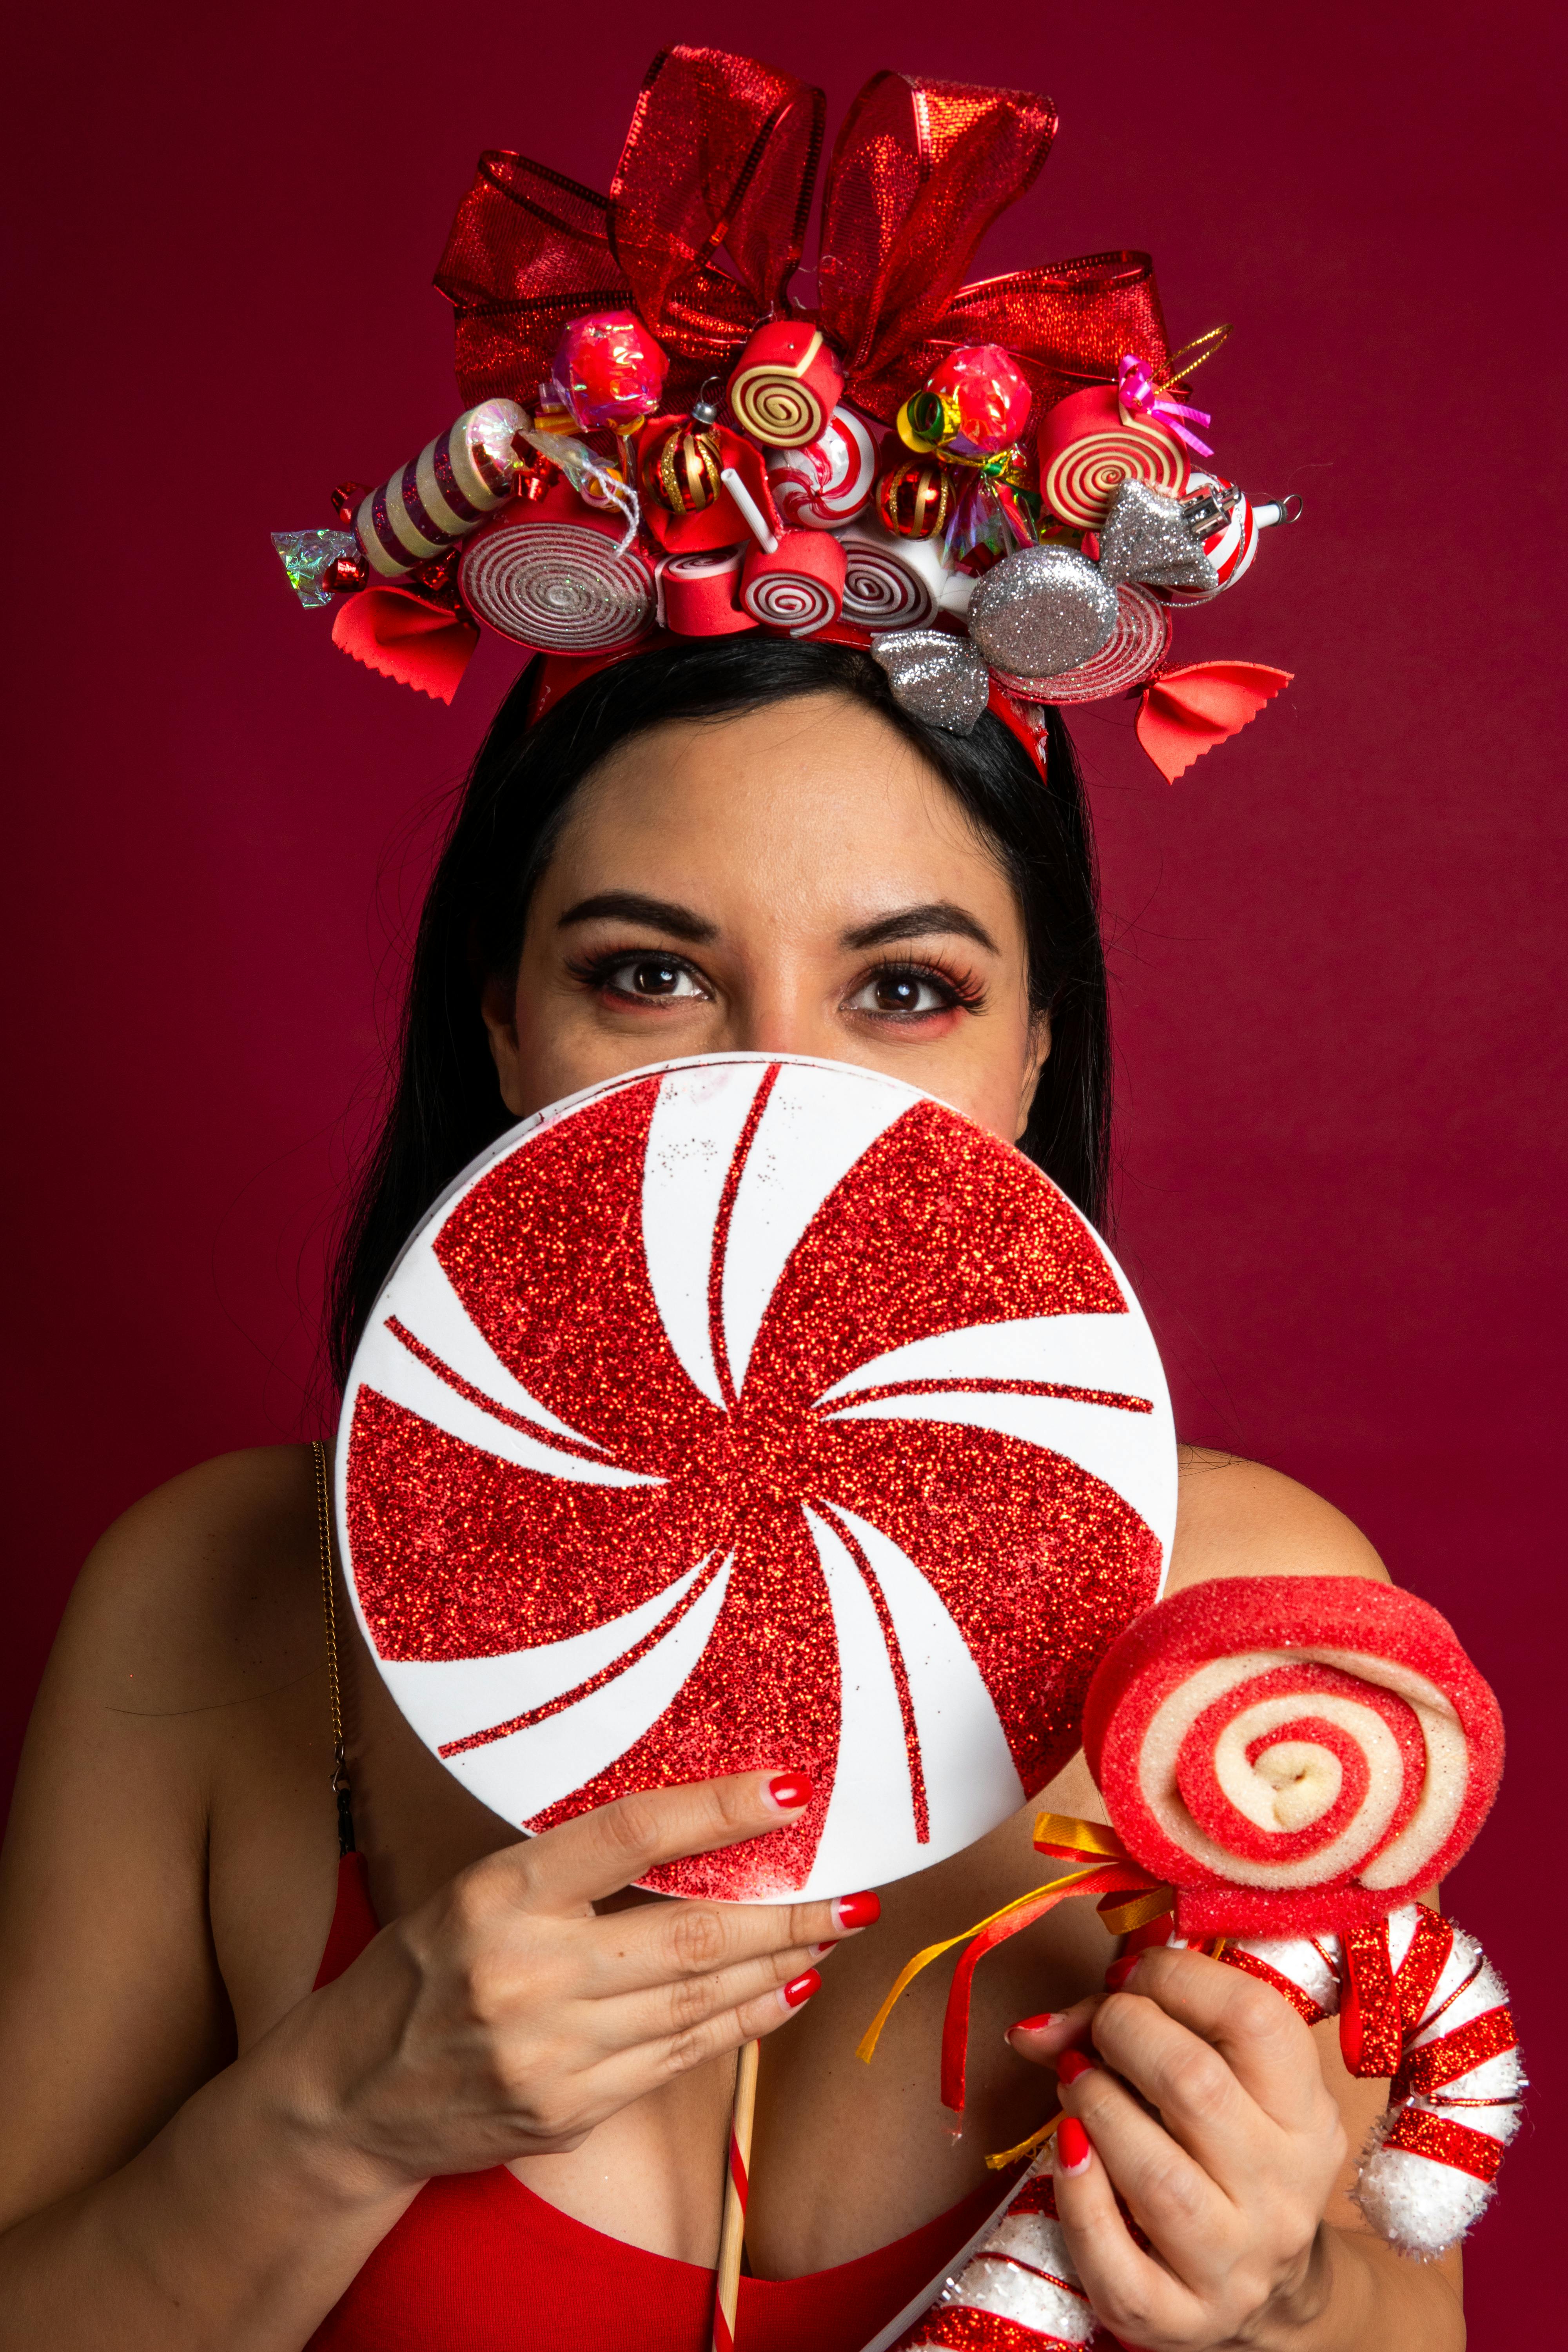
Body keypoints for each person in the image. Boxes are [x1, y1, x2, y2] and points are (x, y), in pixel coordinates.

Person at [0, 636, 1465, 2350]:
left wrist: (1269, 2292)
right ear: (504, 1026)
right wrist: (342, 2117)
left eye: (905, 991)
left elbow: (1398, 2310)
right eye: (648, 975)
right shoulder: (219, 1597)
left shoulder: (1239, 1632)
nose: (771, 1085)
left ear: (1033, 1057)